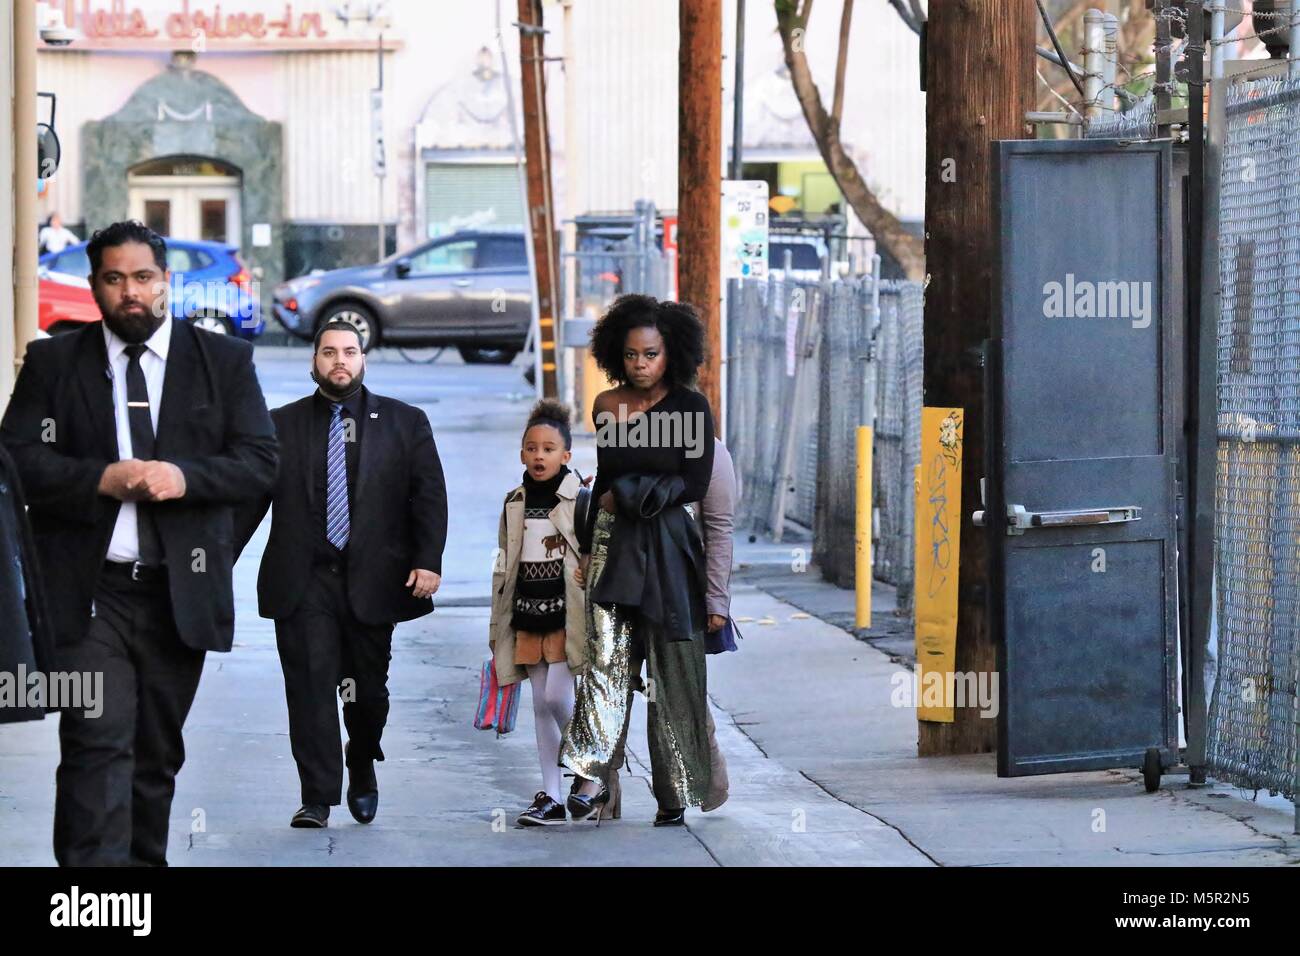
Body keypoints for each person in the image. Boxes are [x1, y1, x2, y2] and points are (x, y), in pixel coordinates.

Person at [0, 220, 278, 866]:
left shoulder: (223, 363)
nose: (130, 291)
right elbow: (16, 461)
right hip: (88, 596)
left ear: (166, 281)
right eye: (114, 278)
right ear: (94, 285)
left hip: (177, 596)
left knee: (155, 756)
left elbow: (261, 461)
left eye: (144, 277)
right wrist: (99, 479)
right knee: (95, 744)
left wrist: (184, 477)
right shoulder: (54, 363)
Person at [234, 321, 448, 829]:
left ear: (363, 359)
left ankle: (362, 757)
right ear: (314, 361)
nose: (339, 361)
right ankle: (317, 796)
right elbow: (247, 501)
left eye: (349, 352)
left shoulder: (404, 422)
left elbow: (428, 496)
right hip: (304, 580)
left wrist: (428, 560)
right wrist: (209, 562)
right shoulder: (280, 425)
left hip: (374, 581)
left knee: (366, 693)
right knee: (310, 688)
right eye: (328, 352)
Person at [561, 293, 715, 826]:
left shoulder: (692, 407)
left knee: (673, 667)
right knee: (606, 661)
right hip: (614, 545)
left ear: (671, 353)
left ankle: (674, 793)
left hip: (670, 545)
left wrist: (630, 494)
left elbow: (694, 483)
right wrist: (588, 544)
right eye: (631, 355)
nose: (641, 364)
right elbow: (605, 476)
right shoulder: (607, 405)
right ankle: (589, 777)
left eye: (651, 354)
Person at [487, 399, 589, 826]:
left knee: (556, 698)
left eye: (549, 449)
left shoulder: (580, 499)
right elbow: (504, 565)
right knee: (541, 706)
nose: (539, 456)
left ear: (566, 455)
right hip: (527, 615)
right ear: (521, 454)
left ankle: (591, 767)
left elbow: (596, 552)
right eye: (531, 448)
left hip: (568, 618)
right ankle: (552, 795)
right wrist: (497, 625)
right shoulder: (515, 502)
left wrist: (588, 571)